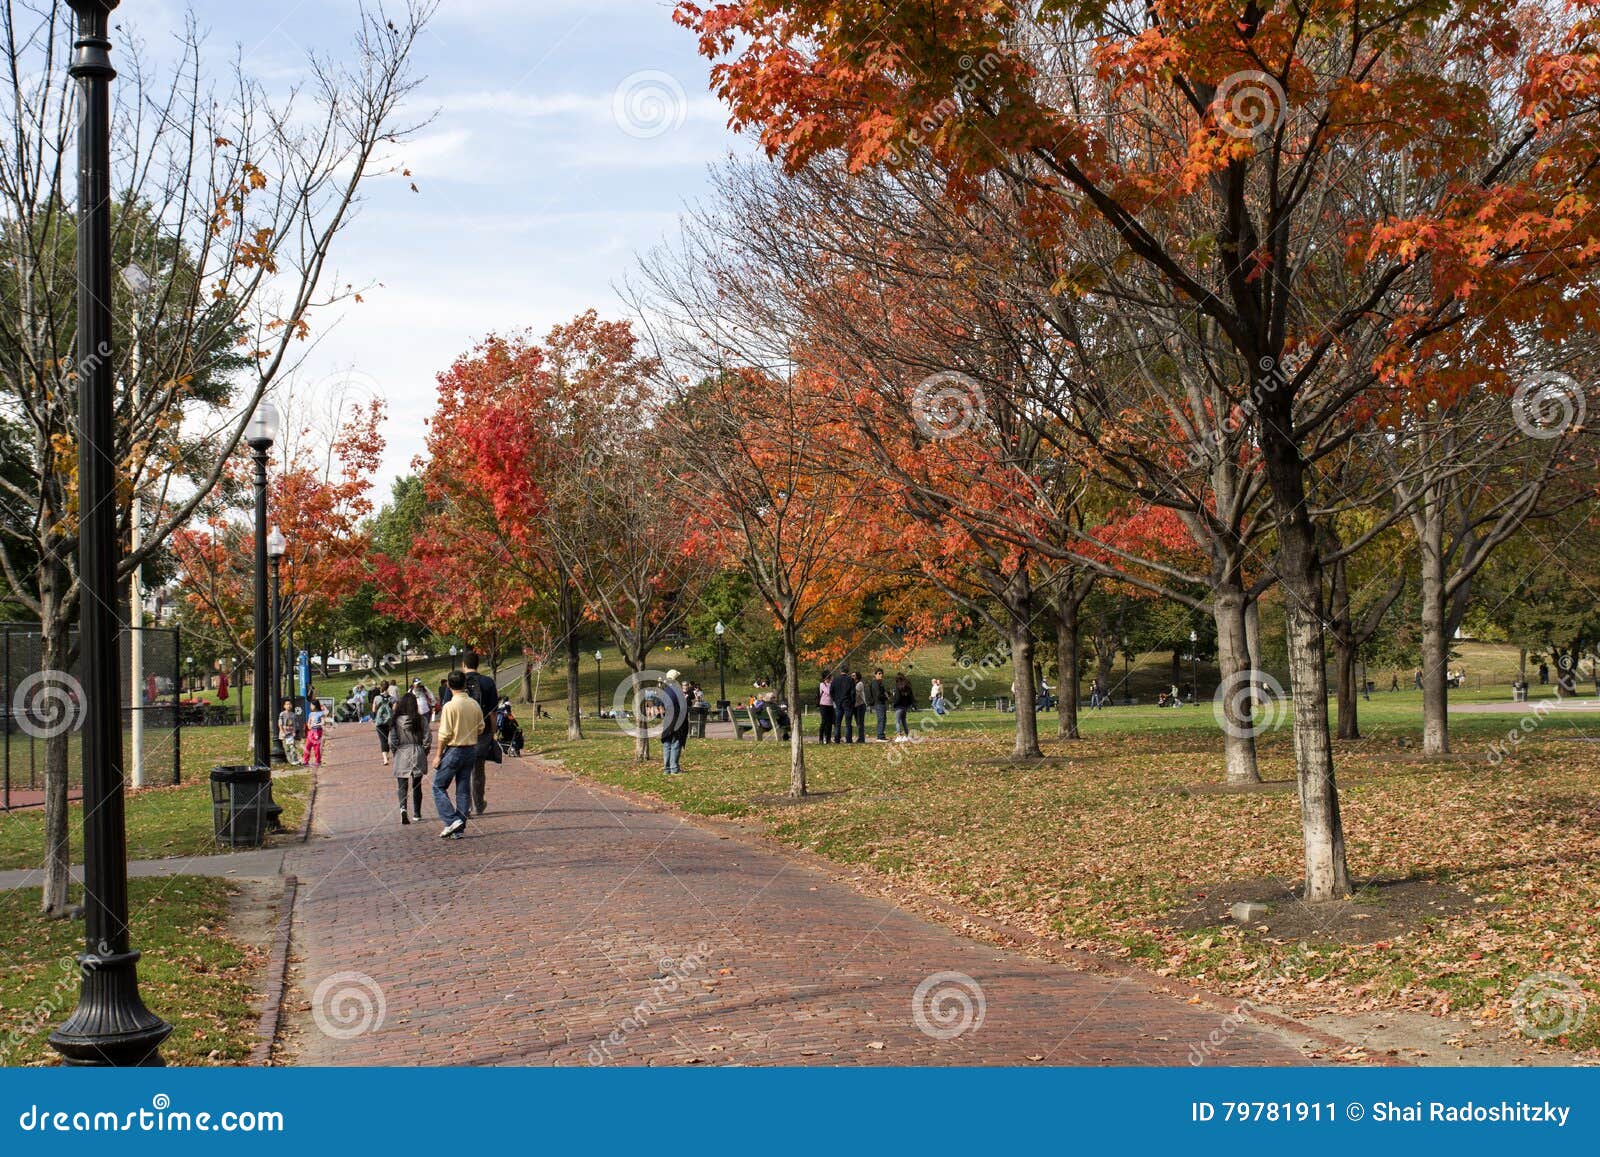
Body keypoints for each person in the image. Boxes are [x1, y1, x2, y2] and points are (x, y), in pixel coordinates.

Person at [433, 670, 483, 839]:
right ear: (464, 684)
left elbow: (444, 733)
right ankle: (459, 827)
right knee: (462, 788)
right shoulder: (474, 704)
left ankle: (451, 819)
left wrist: (438, 755)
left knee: (438, 786)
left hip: (455, 749)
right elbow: (481, 727)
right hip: (471, 749)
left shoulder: (450, 706)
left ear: (448, 685)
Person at [460, 650, 500, 815]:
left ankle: (466, 806)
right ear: (478, 664)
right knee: (478, 769)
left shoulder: (456, 682)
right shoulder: (488, 682)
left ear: (463, 665)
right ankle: (478, 803)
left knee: (463, 770)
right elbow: (492, 711)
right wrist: (493, 730)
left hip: (461, 732)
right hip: (482, 731)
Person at [389, 691, 430, 825]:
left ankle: (403, 808)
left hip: (402, 752)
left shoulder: (395, 721)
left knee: (402, 785)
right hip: (417, 751)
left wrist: (395, 752)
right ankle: (417, 813)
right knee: (417, 785)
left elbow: (392, 740)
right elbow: (427, 737)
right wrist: (424, 751)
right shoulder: (421, 719)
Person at [661, 670, 689, 775]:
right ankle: (674, 768)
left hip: (668, 720)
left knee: (667, 744)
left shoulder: (665, 690)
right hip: (677, 720)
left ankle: (667, 769)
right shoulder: (677, 690)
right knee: (676, 743)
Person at [829, 666, 855, 743]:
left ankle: (837, 739)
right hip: (847, 702)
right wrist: (852, 701)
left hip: (838, 703)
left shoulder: (835, 680)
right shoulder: (850, 679)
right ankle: (848, 739)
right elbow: (853, 692)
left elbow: (831, 691)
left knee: (837, 722)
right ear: (847, 671)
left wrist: (835, 700)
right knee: (848, 722)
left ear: (840, 671)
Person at [373, 682, 395, 766]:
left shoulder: (377, 698)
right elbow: (394, 710)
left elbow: (374, 710)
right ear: (388, 687)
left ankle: (385, 759)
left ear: (380, 687)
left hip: (379, 722)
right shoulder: (392, 698)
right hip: (389, 721)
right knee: (389, 739)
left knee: (383, 740)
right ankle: (388, 754)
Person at [865, 668, 889, 740]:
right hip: (879, 704)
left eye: (881, 673)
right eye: (879, 673)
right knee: (881, 719)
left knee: (883, 719)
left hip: (881, 703)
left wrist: (887, 694)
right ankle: (880, 736)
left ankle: (881, 735)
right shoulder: (875, 683)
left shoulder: (879, 683)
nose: (881, 675)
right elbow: (878, 695)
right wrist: (886, 696)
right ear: (875, 674)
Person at [303, 699, 327, 768]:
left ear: (315, 705)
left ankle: (317, 761)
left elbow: (323, 722)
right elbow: (308, 722)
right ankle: (305, 761)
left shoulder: (320, 713)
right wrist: (309, 725)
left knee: (316, 747)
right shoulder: (311, 714)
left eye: (311, 705)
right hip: (311, 732)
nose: (310, 706)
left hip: (317, 731)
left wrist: (316, 724)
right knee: (307, 745)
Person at [891, 673, 915, 740]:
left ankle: (899, 736)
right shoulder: (907, 687)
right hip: (905, 707)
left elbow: (898, 698)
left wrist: (894, 703)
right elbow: (910, 697)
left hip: (898, 707)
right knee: (904, 721)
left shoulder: (898, 687)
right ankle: (907, 736)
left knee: (897, 721)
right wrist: (910, 704)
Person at [277, 699, 301, 765]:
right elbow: (280, 724)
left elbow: (295, 724)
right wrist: (282, 732)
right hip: (284, 734)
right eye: (287, 704)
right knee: (286, 748)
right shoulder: (282, 714)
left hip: (291, 734)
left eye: (290, 704)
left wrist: (294, 732)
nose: (289, 705)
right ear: (284, 706)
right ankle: (290, 761)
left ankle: (294, 760)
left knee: (292, 747)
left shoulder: (293, 714)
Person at [817, 671, 836, 744]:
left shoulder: (831, 684)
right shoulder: (822, 684)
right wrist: (831, 685)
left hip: (830, 705)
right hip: (823, 705)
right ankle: (821, 738)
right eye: (829, 677)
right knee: (824, 722)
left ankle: (828, 738)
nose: (830, 678)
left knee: (830, 723)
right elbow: (828, 692)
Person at [850, 672, 867, 744]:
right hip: (855, 706)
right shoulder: (853, 684)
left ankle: (861, 738)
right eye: (851, 675)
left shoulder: (860, 684)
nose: (852, 677)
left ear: (857, 677)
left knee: (860, 722)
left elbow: (855, 694)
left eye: (853, 675)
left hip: (860, 705)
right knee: (858, 722)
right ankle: (860, 737)